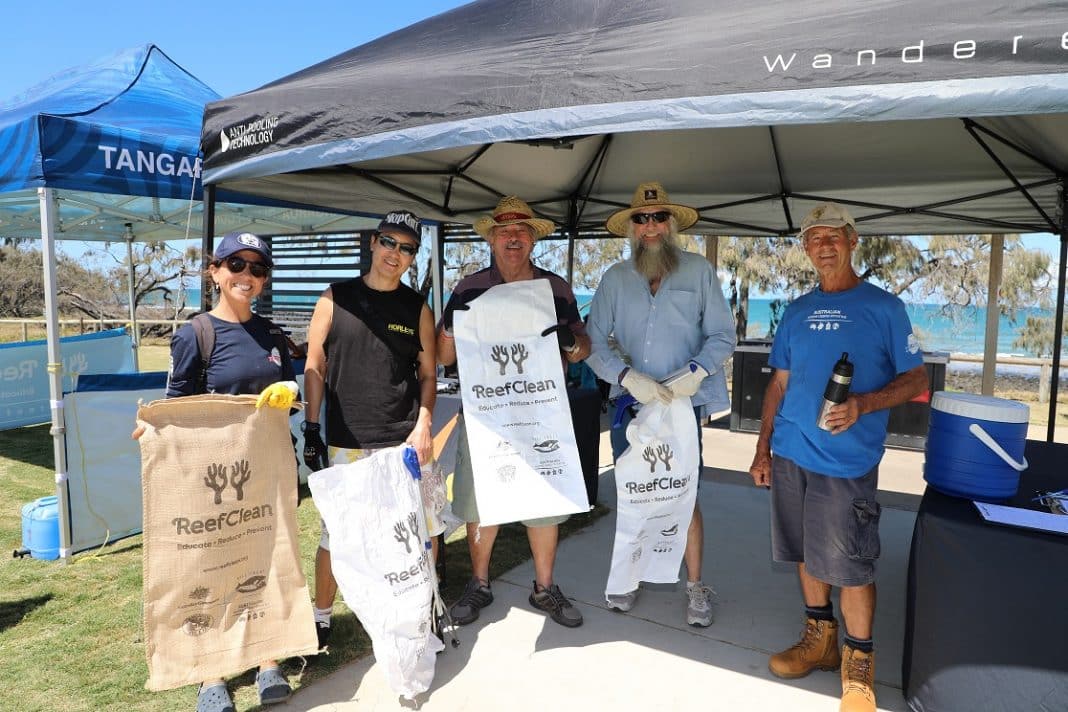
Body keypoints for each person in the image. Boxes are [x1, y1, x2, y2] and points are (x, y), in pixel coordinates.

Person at [747, 203, 927, 712]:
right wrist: (762, 449)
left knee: (850, 565)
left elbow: (917, 380)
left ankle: (859, 667)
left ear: (852, 241)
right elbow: (779, 384)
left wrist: (863, 405)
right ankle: (820, 641)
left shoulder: (884, 307)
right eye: (813, 238)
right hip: (790, 454)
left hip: (845, 462)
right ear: (806, 249)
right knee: (806, 554)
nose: (822, 245)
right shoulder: (798, 311)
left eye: (833, 236)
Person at [585, 181, 736, 627]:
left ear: (670, 224)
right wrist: (626, 376)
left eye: (657, 217)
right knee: (634, 493)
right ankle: (628, 579)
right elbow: (592, 342)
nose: (650, 226)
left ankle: (695, 588)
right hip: (632, 406)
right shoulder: (614, 279)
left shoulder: (699, 272)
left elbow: (723, 336)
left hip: (683, 408)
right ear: (631, 227)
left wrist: (698, 371)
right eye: (641, 219)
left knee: (683, 495)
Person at [437, 196, 592, 628]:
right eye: (504, 231)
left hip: (540, 412)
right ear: (491, 238)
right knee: (479, 502)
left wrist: (568, 342)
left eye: (522, 231)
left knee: (543, 502)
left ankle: (545, 589)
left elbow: (582, 350)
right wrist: (451, 324)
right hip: (485, 415)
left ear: (533, 240)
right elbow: (442, 352)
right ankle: (479, 584)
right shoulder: (468, 288)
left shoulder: (555, 288)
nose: (513, 238)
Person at [163, 231, 297, 712]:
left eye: (258, 269)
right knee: (210, 565)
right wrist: (155, 435)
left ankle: (266, 661)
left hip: (263, 470)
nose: (247, 276)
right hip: (209, 477)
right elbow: (177, 405)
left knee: (261, 561)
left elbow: (286, 395)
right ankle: (210, 674)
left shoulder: (273, 336)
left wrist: (289, 402)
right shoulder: (196, 333)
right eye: (236, 265)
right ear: (215, 272)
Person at [301, 210, 439, 648]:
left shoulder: (418, 307)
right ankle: (321, 617)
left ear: (413, 257)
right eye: (388, 242)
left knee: (422, 529)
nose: (395, 254)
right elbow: (315, 363)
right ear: (374, 243)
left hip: (404, 441)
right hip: (348, 441)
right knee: (337, 535)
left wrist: (423, 424)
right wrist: (310, 426)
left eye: (406, 248)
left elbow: (429, 375)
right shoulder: (335, 297)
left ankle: (427, 606)